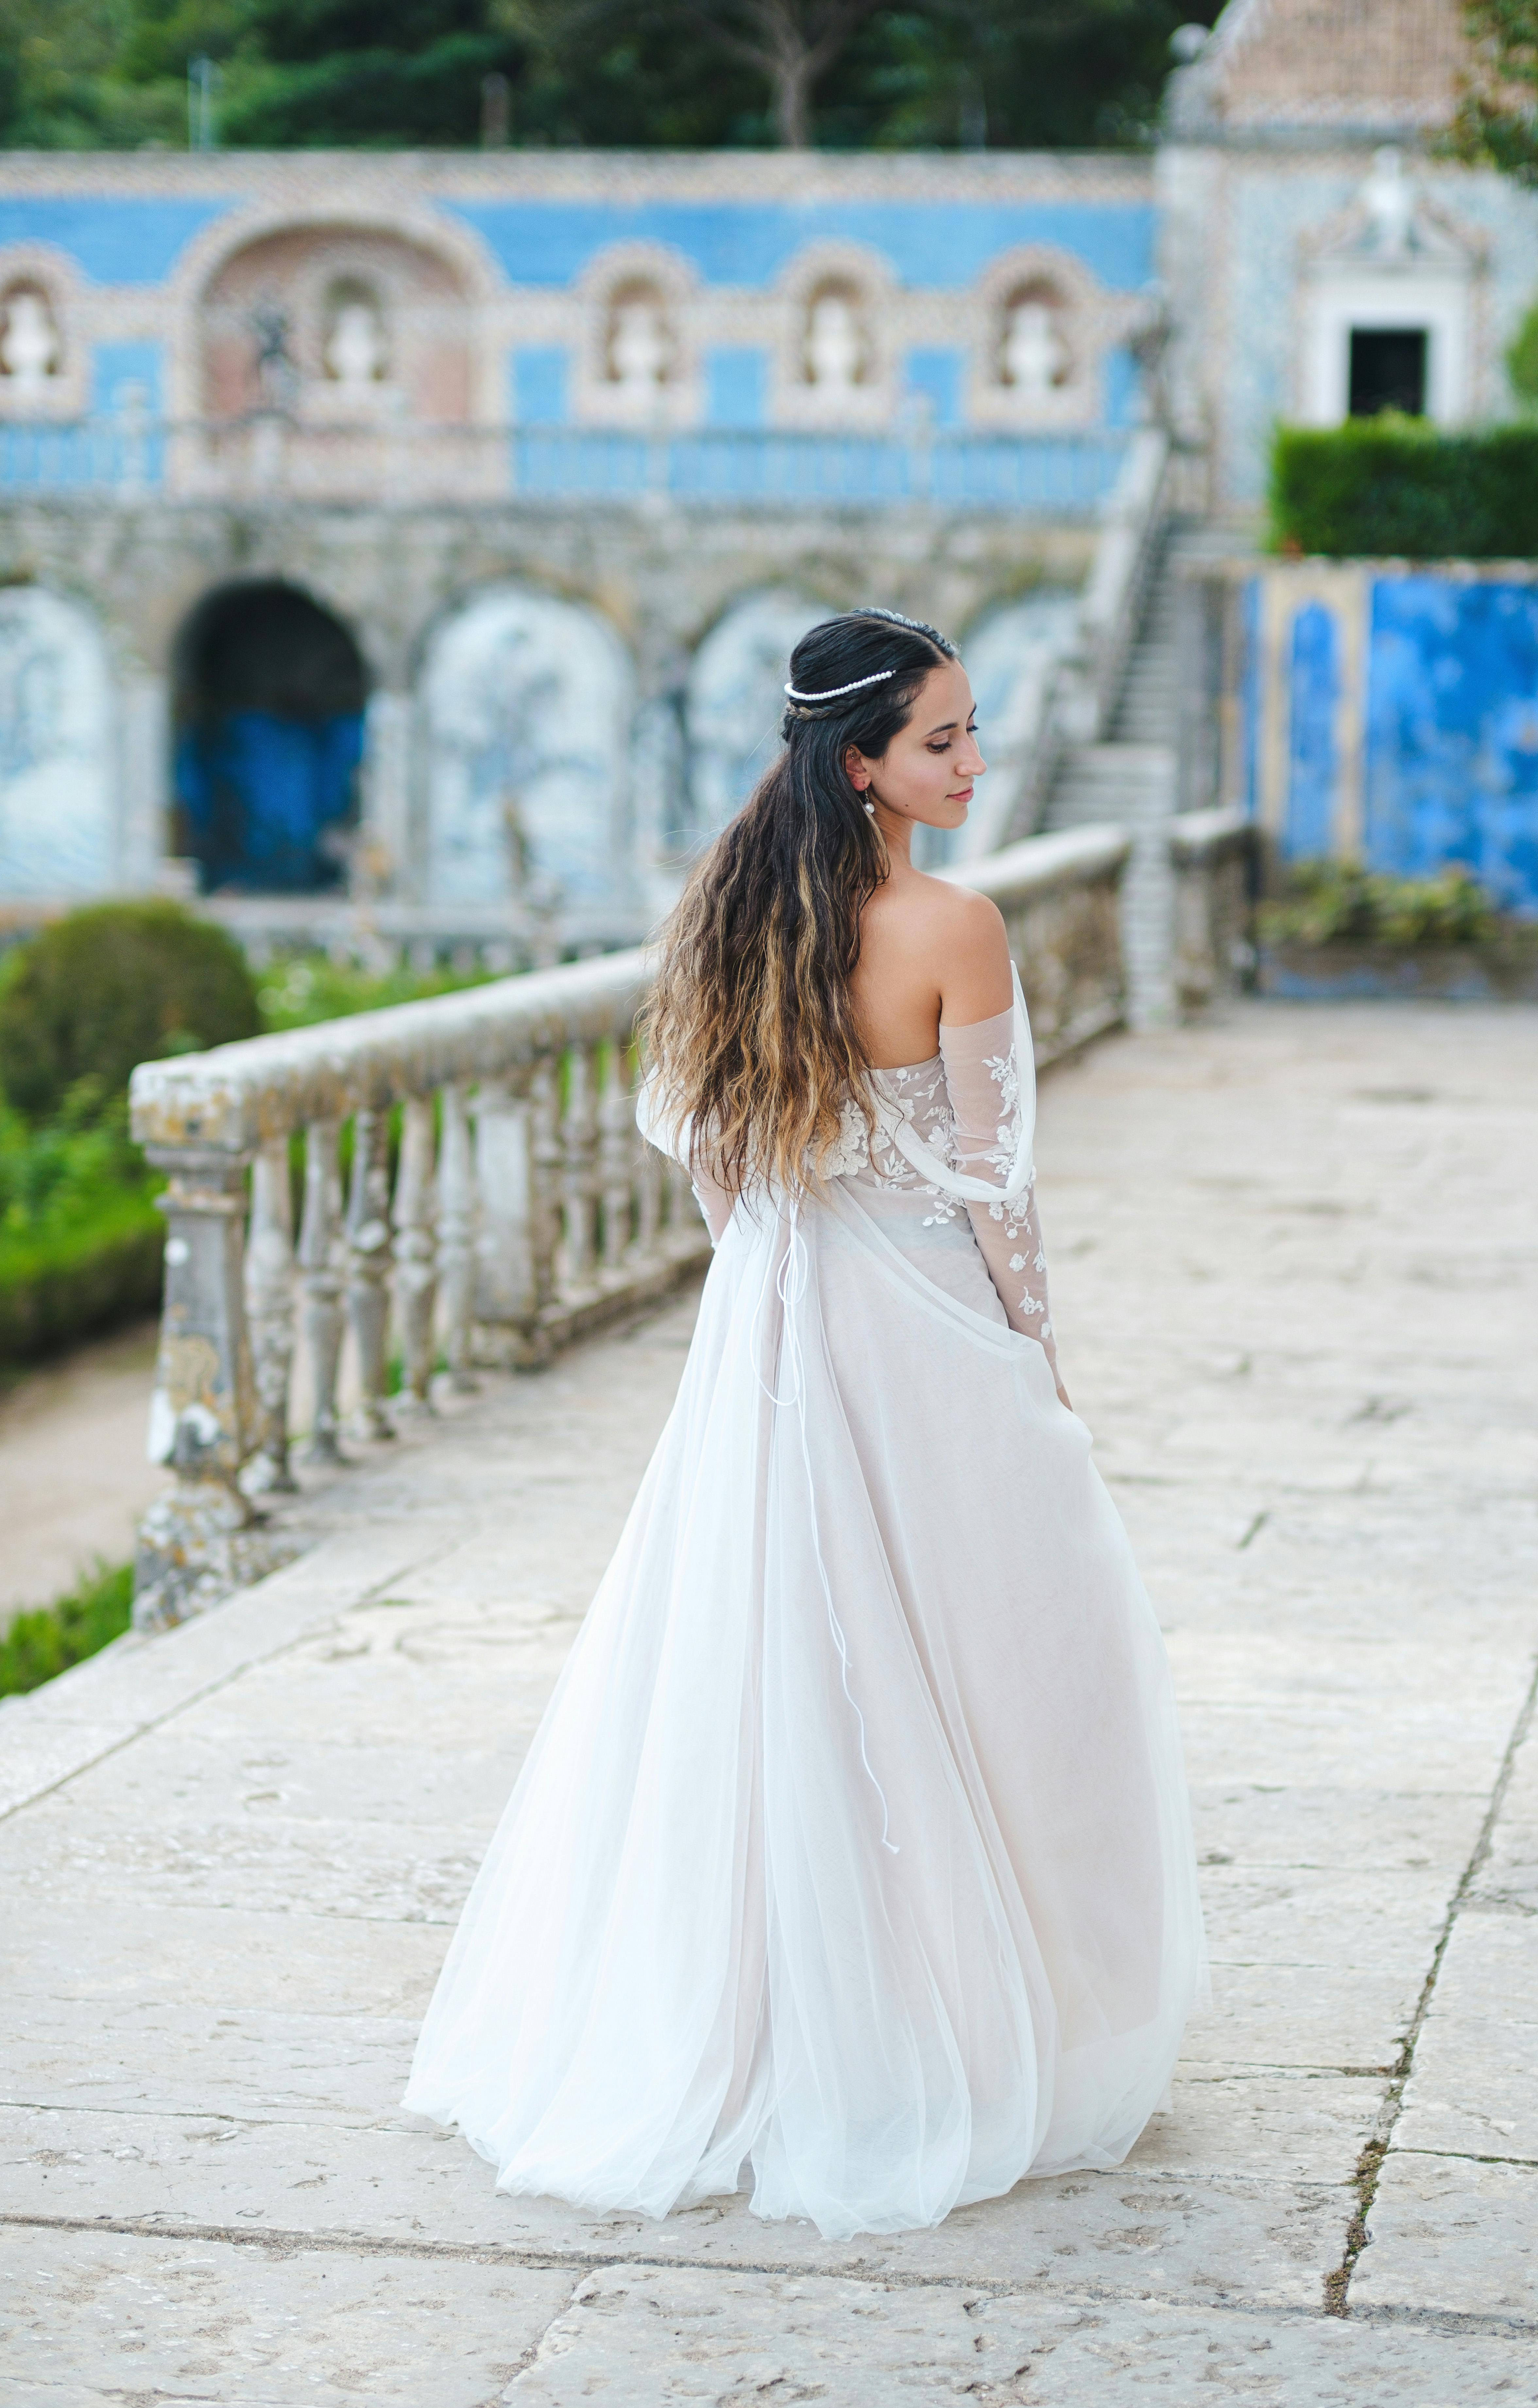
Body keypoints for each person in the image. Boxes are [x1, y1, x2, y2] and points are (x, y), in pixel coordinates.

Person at [405, 607, 1207, 2238]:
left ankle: (781, 2026)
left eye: (972, 731)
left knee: (764, 1672)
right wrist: (1033, 1361)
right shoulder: (954, 927)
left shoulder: (721, 908)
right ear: (863, 766)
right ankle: (980, 2023)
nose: (973, 762)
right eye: (945, 741)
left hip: (768, 1318)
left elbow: (709, 1153)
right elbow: (995, 1185)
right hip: (923, 1331)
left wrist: (774, 1285)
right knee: (1016, 1662)